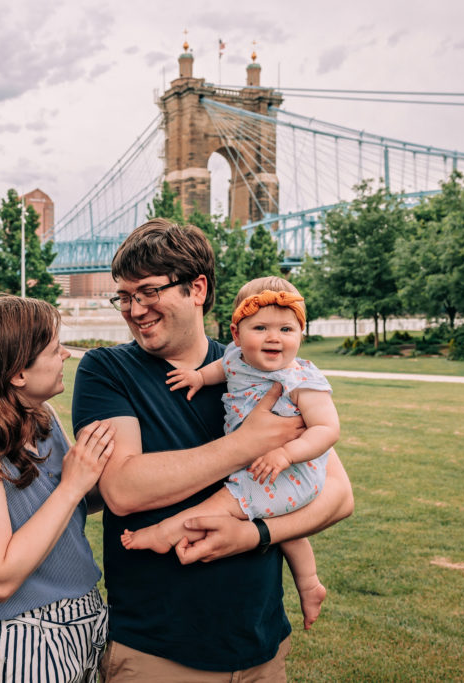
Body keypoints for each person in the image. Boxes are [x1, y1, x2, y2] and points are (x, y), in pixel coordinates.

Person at [73, 218, 354, 680]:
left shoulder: (260, 366)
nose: (134, 309)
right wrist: (248, 442)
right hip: (159, 652)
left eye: (147, 292)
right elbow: (123, 490)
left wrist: (254, 535)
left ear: (197, 288)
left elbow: (338, 495)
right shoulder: (108, 371)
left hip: (262, 647)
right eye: (123, 296)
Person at [121, 276, 337, 631]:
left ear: (301, 333)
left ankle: (169, 531)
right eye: (261, 328)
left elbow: (328, 430)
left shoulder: (302, 382)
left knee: (230, 499)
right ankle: (310, 584)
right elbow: (221, 369)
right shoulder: (237, 359)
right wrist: (198, 378)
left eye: (286, 328)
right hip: (261, 465)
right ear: (237, 335)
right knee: (289, 529)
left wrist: (286, 454)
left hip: (290, 470)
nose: (274, 337)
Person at [0, 294, 116, 682]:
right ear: (18, 374)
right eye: (54, 349)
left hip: (85, 621)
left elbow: (73, 503)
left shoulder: (41, 417)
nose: (65, 354)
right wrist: (72, 486)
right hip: (20, 641)